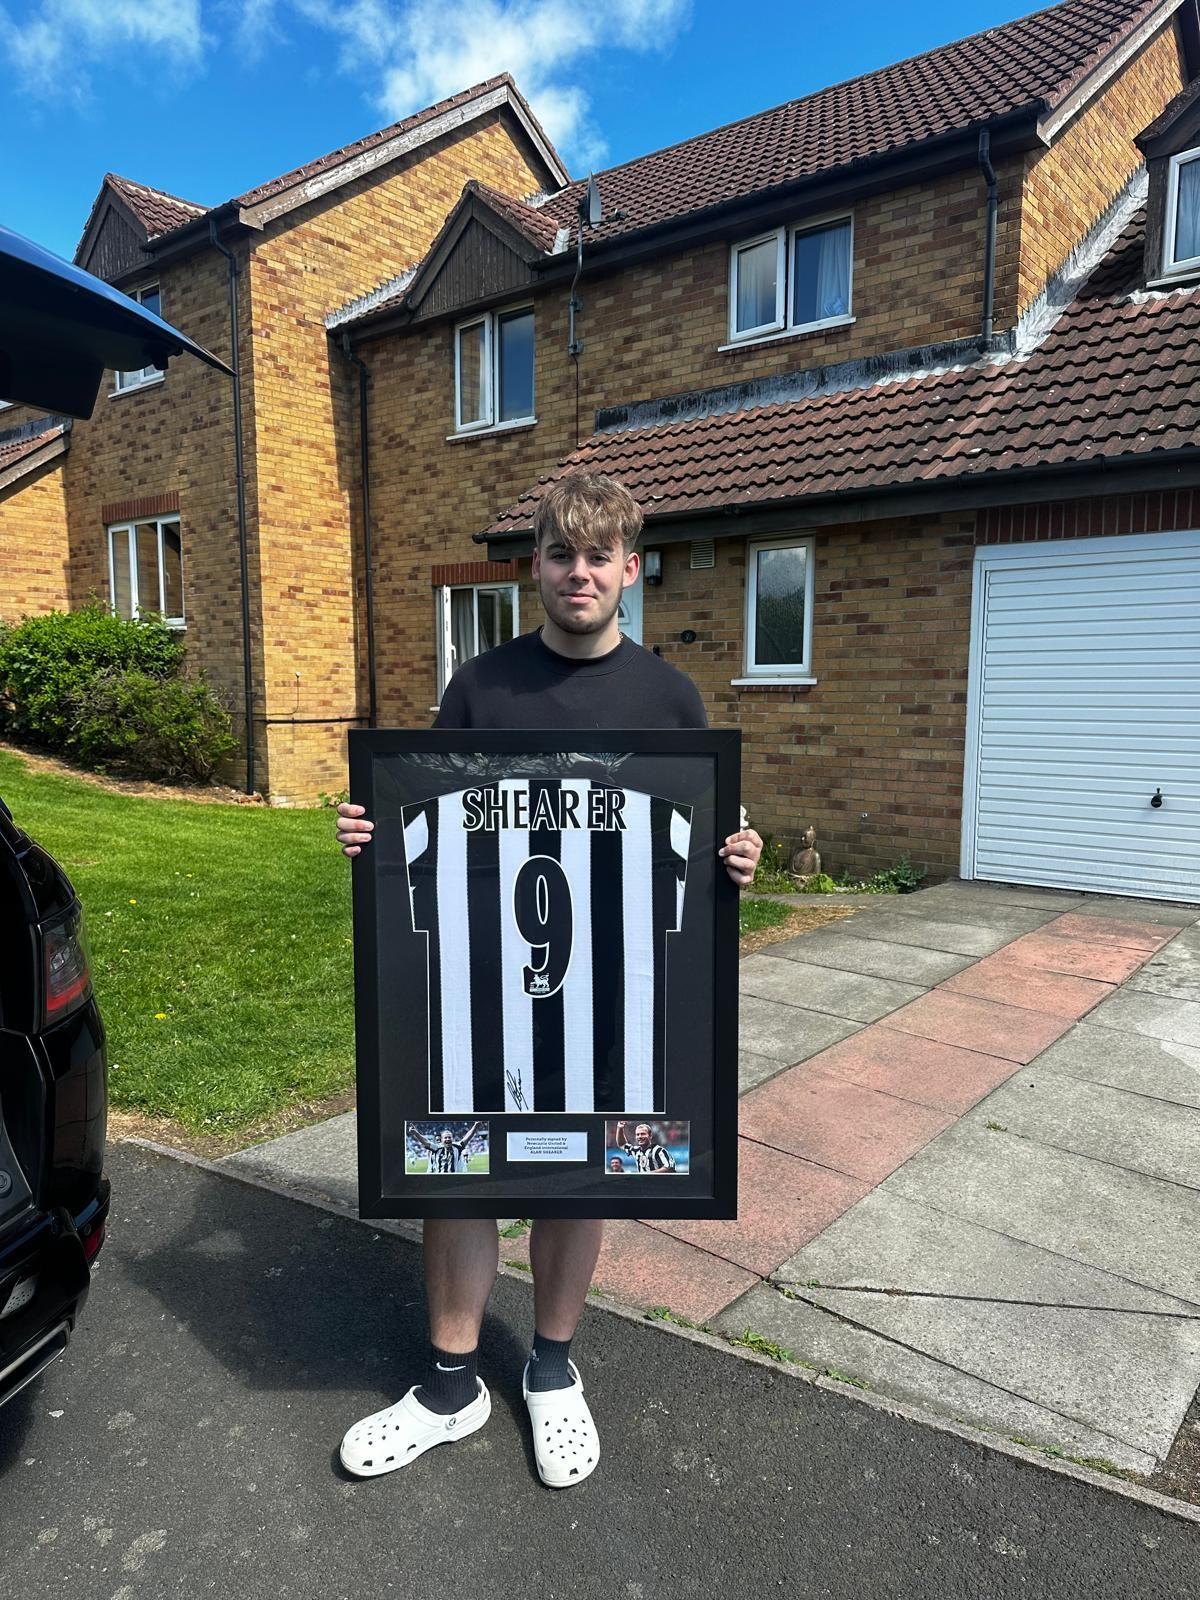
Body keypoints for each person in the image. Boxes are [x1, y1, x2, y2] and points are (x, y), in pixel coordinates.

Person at [335, 470, 762, 1489]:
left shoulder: (670, 697)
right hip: (485, 981)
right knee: (460, 1168)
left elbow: (700, 830)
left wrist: (739, 853)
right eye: (562, 554)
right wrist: (370, 831)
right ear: (535, 567)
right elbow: (424, 813)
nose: (580, 573)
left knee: (587, 1168)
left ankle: (552, 1367)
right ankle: (452, 1384)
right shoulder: (481, 687)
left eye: (598, 556)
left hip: (612, 993)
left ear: (630, 569)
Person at [411, 1123, 482, 1175]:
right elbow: (425, 1141)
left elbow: (467, 1138)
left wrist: (475, 1126)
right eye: (445, 1138)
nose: (448, 1139)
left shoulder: (457, 1147)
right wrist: (416, 1133)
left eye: (449, 1137)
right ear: (442, 1140)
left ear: (452, 1138)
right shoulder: (437, 1148)